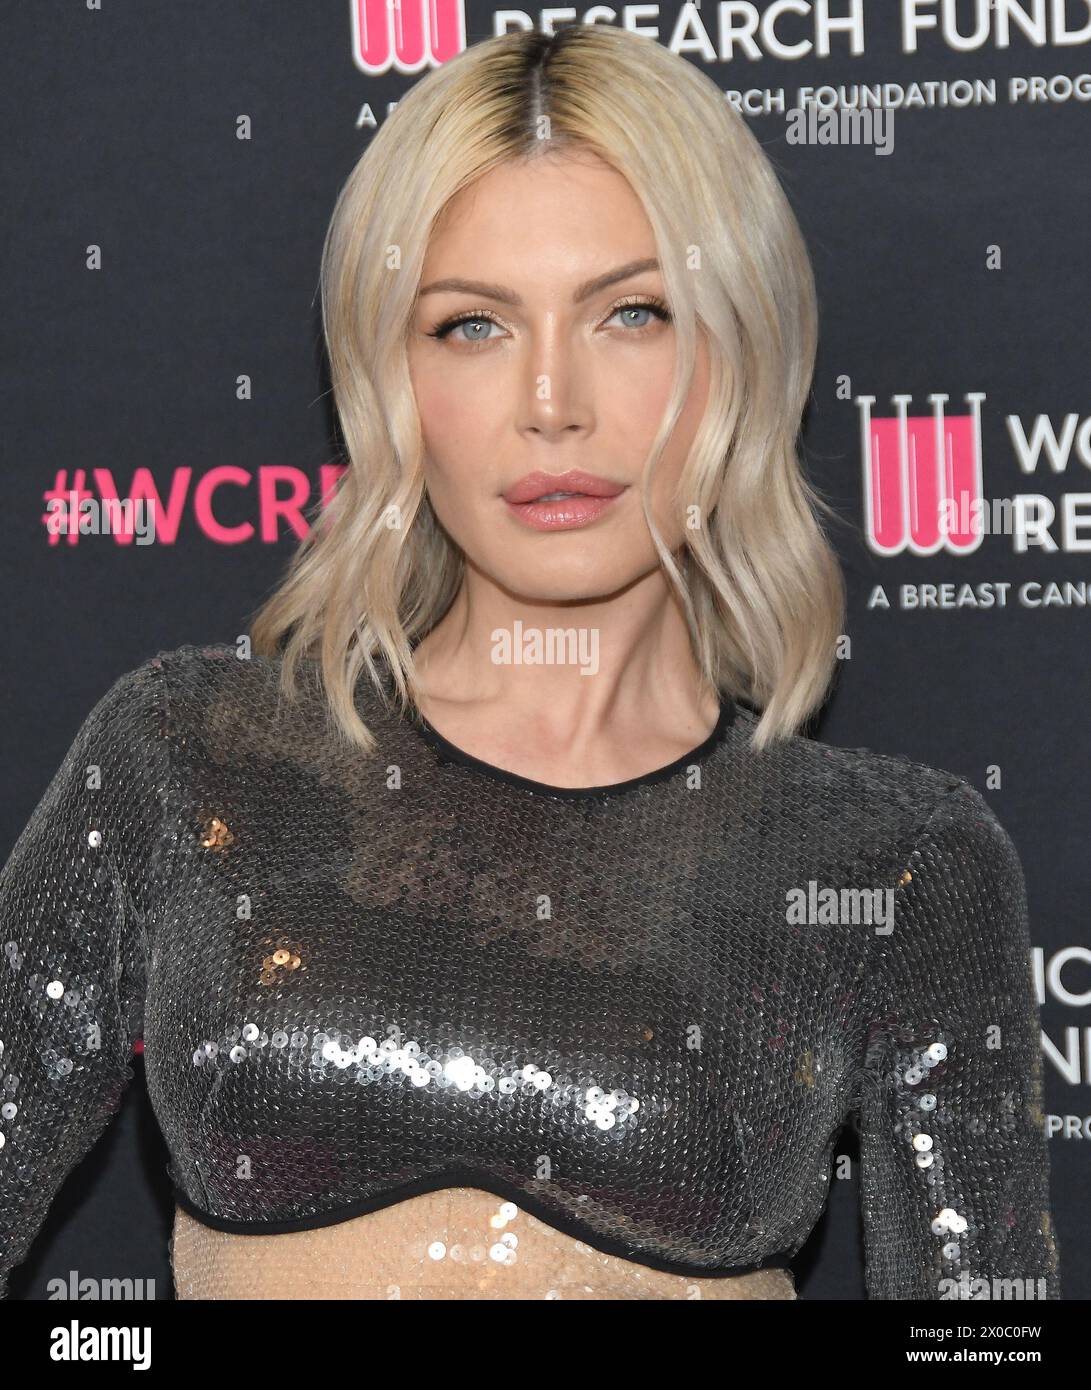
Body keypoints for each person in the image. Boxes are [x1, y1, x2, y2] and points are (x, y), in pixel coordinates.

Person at [0, 24, 1059, 1301]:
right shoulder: (188, 758)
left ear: (741, 351)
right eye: (471, 327)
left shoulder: (894, 864)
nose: (550, 401)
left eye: (630, 312)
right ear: (387, 376)